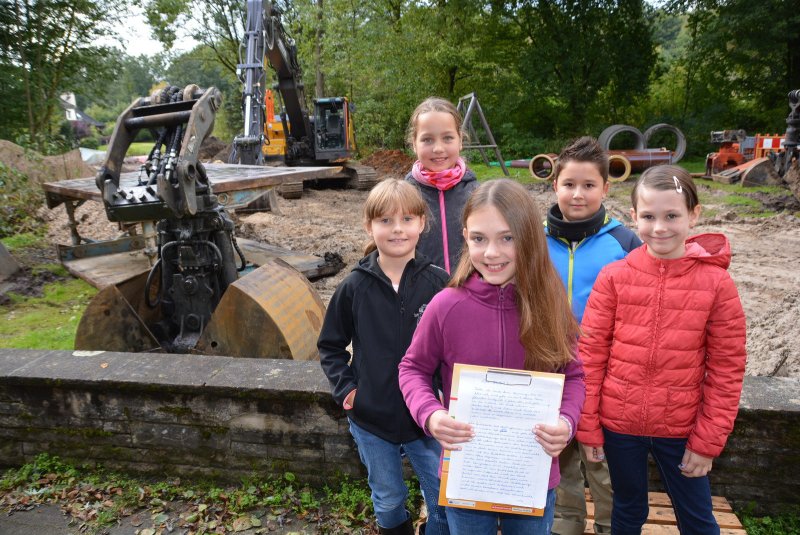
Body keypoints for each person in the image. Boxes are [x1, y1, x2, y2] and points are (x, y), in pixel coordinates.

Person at [398, 179, 586, 534]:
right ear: (465, 236)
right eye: (479, 238)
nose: (492, 253)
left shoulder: (550, 303)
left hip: (531, 475)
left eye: (507, 238)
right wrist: (431, 415)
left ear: (528, 237)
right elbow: (412, 369)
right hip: (467, 476)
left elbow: (573, 375)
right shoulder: (446, 306)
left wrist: (567, 422)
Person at [577, 165, 747, 534]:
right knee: (627, 510)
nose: (660, 227)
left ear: (694, 214)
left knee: (697, 518)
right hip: (619, 425)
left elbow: (727, 369)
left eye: (672, 216)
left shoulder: (717, 284)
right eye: (649, 216)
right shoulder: (614, 278)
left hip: (683, 429)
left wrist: (707, 441)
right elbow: (590, 357)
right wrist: (589, 427)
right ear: (634, 216)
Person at [318, 179, 450, 535]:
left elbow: (454, 348)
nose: (397, 229)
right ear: (369, 226)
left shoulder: (440, 284)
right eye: (385, 221)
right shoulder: (353, 287)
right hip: (371, 418)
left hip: (426, 420)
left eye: (407, 219)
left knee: (442, 496)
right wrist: (348, 391)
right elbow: (330, 345)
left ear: (422, 224)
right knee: (389, 498)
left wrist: (445, 395)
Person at [546, 136, 642, 535]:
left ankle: (609, 523)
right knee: (559, 454)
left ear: (605, 187)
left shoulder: (625, 243)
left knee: (601, 459)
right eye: (569, 184)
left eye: (589, 185)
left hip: (606, 372)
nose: (578, 194)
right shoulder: (533, 238)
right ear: (555, 186)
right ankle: (567, 520)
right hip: (550, 368)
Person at [405, 96, 479, 274]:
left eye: (447, 138)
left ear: (460, 140)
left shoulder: (478, 194)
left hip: (467, 292)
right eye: (427, 140)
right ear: (414, 143)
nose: (438, 148)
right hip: (420, 295)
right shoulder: (404, 196)